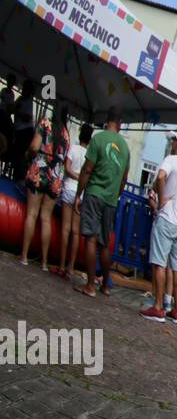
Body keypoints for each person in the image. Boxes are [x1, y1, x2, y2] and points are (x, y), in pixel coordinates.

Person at [140, 132, 177, 325]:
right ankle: (176, 310)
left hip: (166, 218)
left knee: (159, 263)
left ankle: (158, 308)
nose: (171, 142)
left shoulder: (170, 160)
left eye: (173, 139)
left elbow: (160, 177)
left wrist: (162, 198)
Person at [72, 106, 130, 298]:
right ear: (120, 124)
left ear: (107, 121)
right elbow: (123, 180)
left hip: (94, 194)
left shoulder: (98, 138)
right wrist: (115, 195)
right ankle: (105, 285)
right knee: (105, 244)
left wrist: (79, 194)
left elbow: (87, 169)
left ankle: (90, 285)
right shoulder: (125, 148)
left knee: (90, 239)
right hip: (111, 200)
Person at [18, 102, 70, 270]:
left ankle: (24, 256)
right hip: (56, 177)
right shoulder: (66, 134)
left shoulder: (45, 124)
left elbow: (34, 146)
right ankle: (45, 263)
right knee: (46, 218)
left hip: (40, 171)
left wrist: (27, 154)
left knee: (32, 214)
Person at [53, 123, 93, 278]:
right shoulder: (90, 154)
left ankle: (62, 265)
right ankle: (71, 266)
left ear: (80, 134)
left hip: (69, 189)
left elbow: (67, 169)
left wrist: (76, 176)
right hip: (81, 193)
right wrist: (82, 179)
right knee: (76, 232)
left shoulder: (73, 149)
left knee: (65, 228)